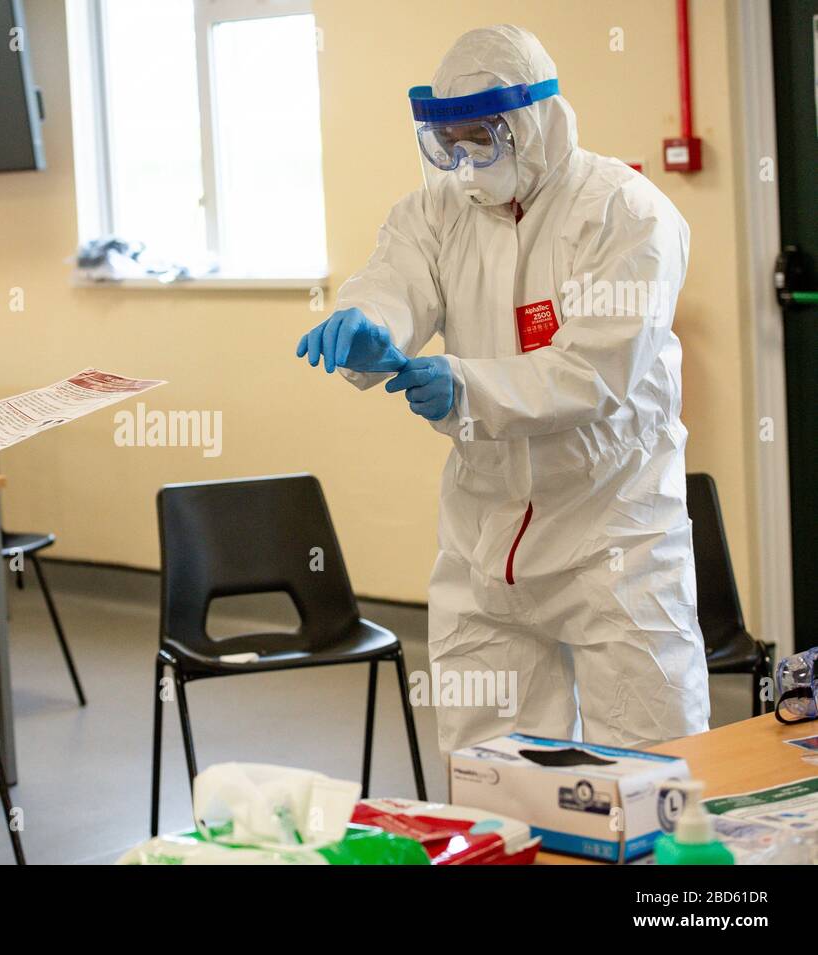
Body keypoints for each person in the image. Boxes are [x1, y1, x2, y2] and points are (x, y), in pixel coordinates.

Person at [296, 25, 709, 753]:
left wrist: (465, 388)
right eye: (448, 143)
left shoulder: (626, 213)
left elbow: (594, 371)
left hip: (615, 539)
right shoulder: (438, 211)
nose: (463, 162)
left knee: (650, 774)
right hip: (484, 541)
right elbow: (396, 278)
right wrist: (369, 323)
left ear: (531, 122)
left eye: (480, 140)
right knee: (489, 775)